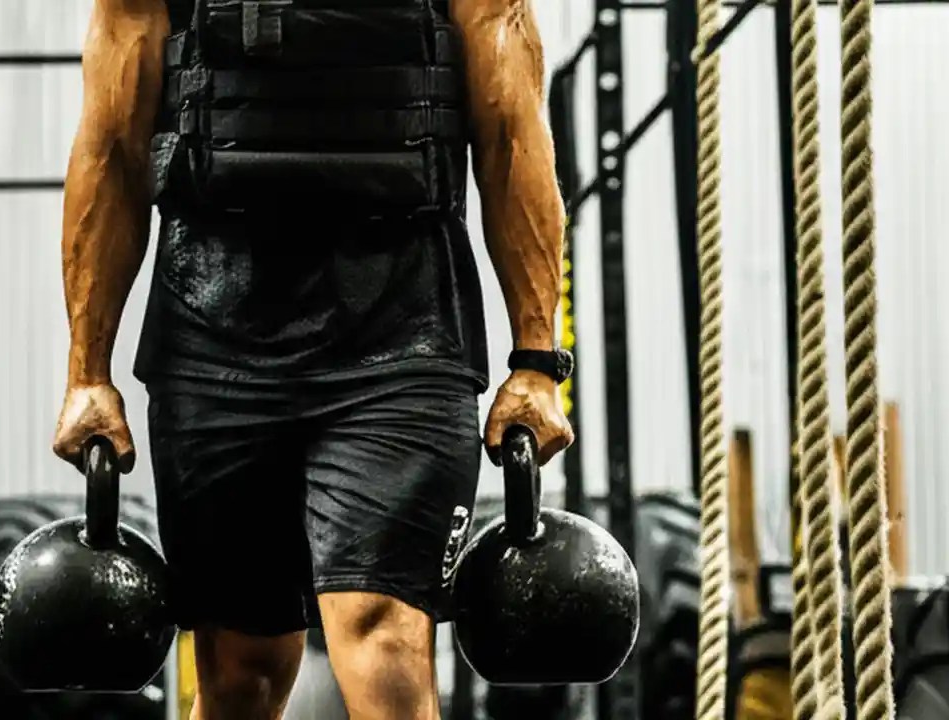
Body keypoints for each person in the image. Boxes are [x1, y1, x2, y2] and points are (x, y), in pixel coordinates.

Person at [51, 0, 573, 715]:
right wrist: (88, 374)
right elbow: (112, 146)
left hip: (402, 336)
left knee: (383, 635)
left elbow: (513, 135)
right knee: (240, 669)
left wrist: (538, 361)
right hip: (213, 331)